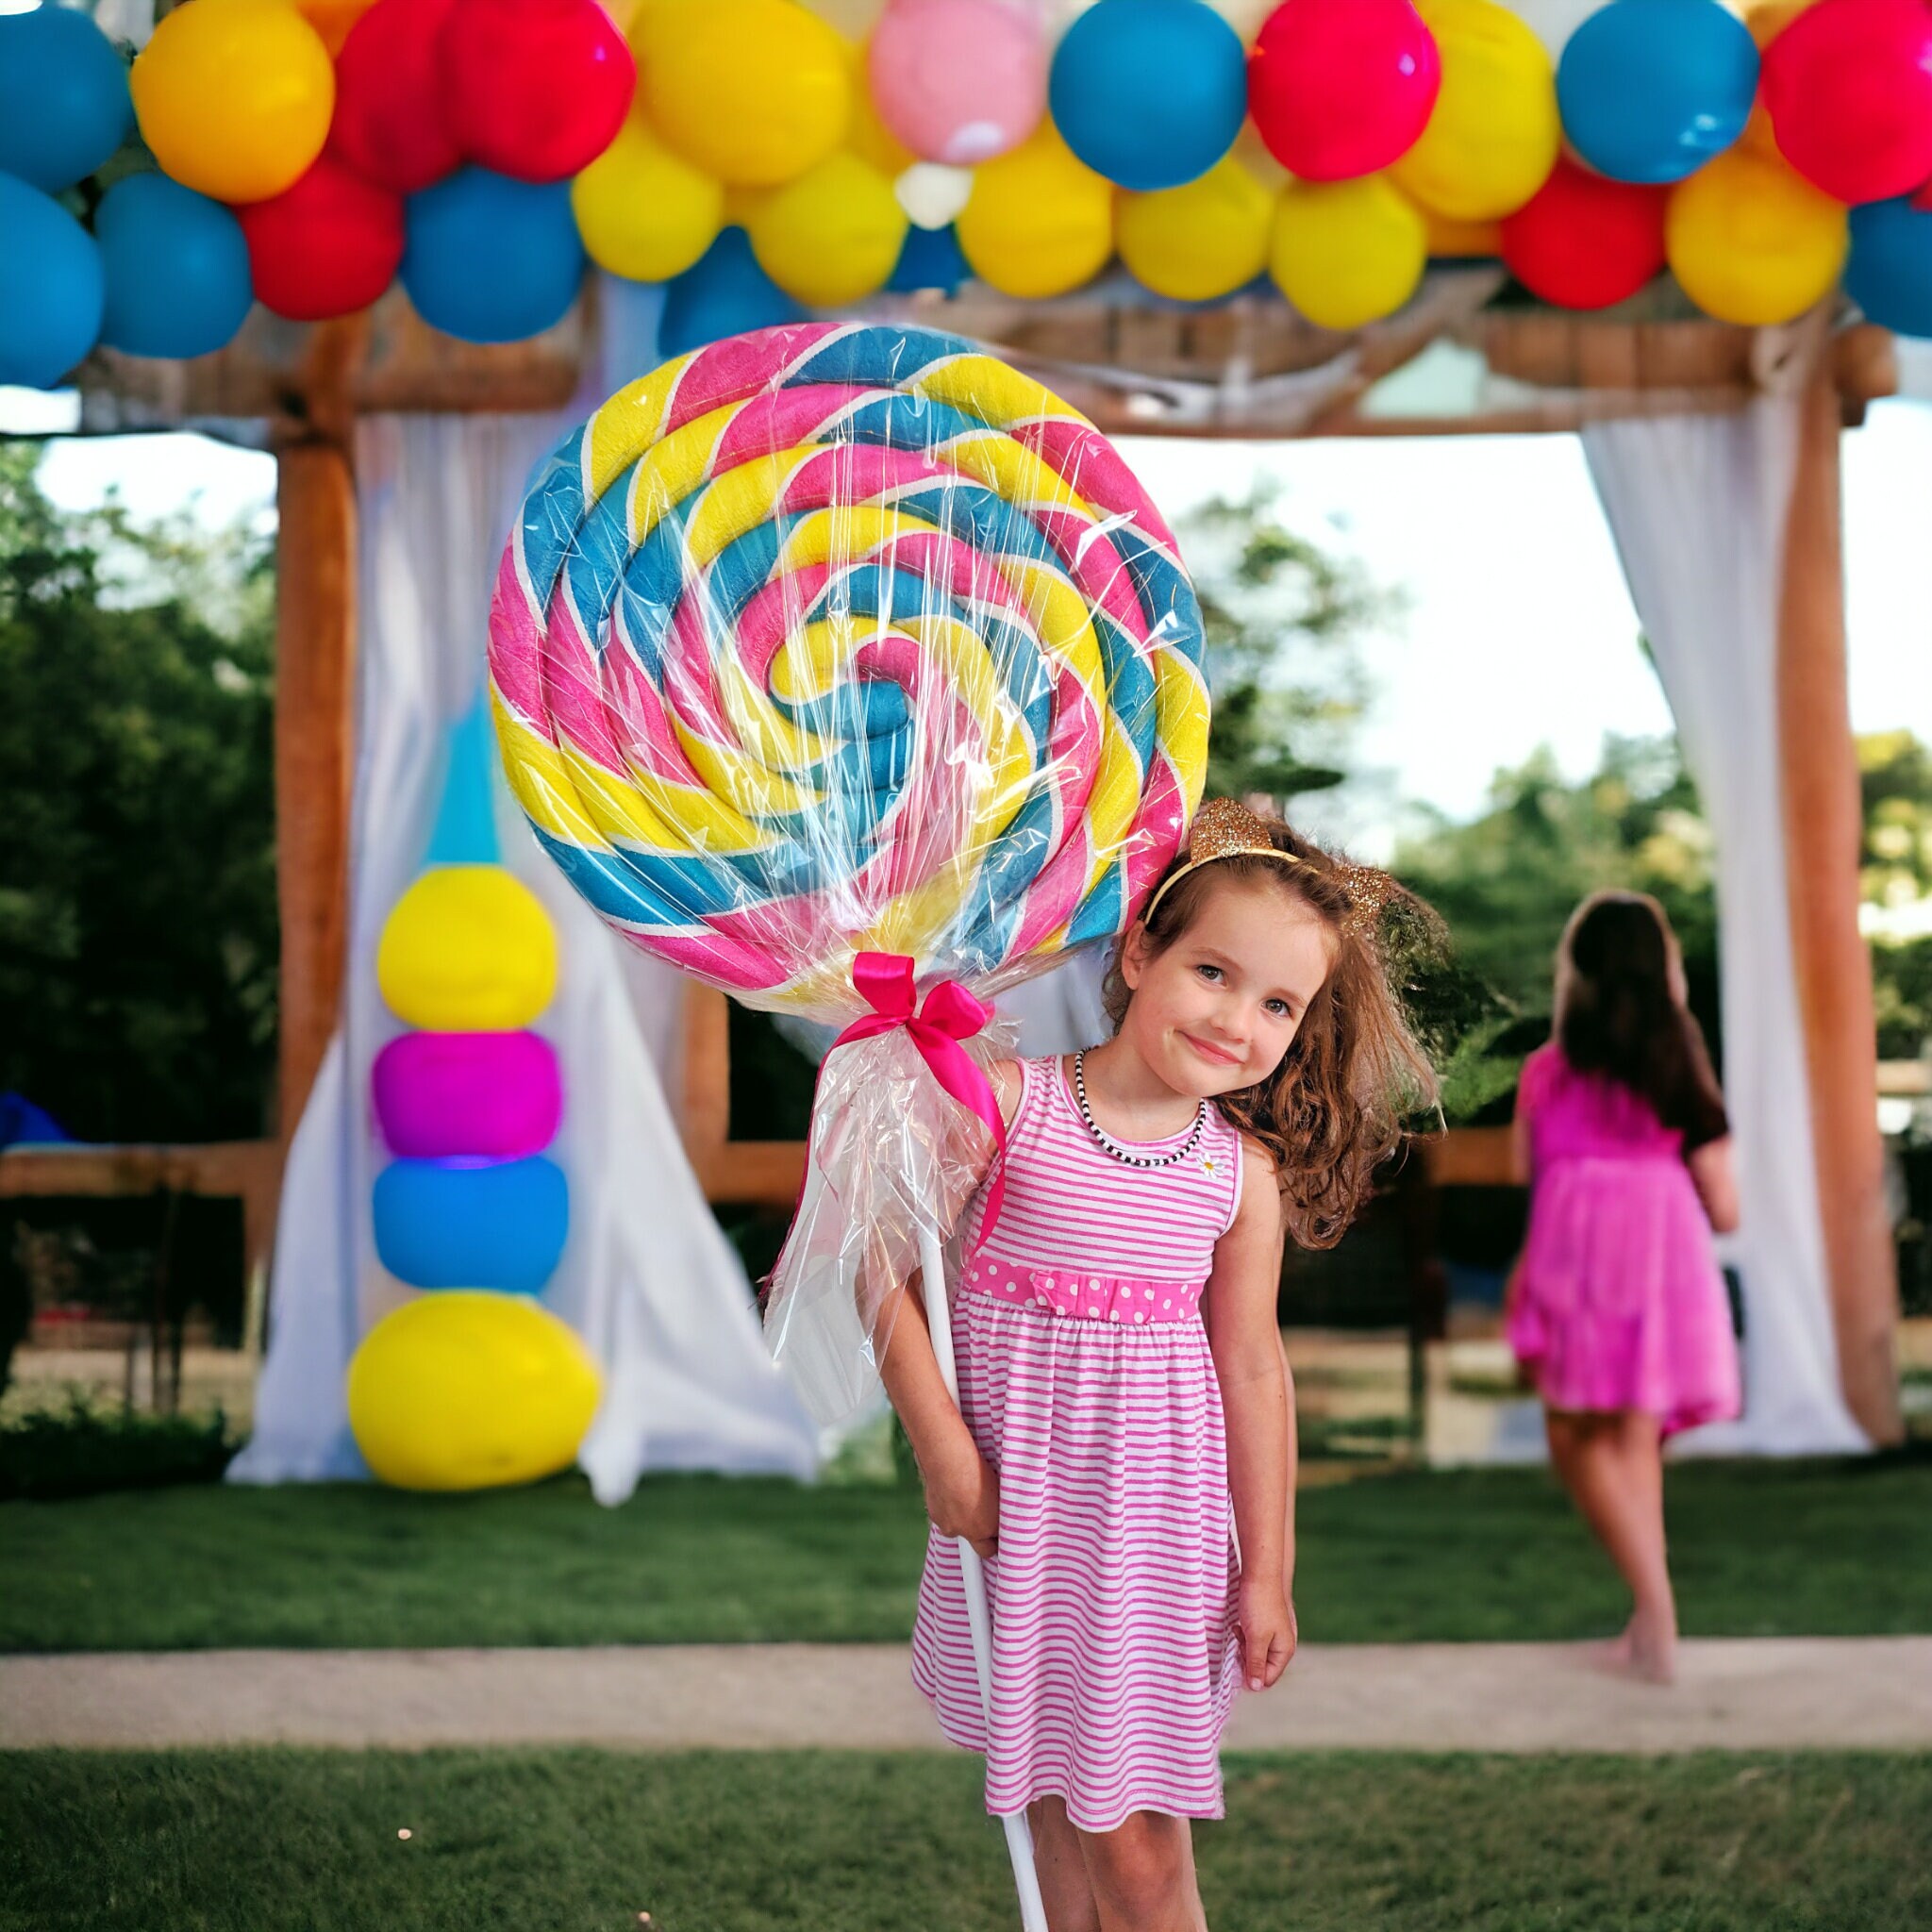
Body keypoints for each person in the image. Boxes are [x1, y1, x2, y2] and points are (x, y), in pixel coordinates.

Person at [876, 798, 1438, 1932]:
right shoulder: (1003, 1103)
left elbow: (1253, 1370)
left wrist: (1267, 1568)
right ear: (1138, 952)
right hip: (1017, 1524)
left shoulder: (1236, 1178)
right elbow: (879, 1270)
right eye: (1212, 972)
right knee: (1050, 1813)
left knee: (1136, 1845)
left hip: (1154, 1550)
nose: (1236, 1018)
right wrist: (942, 1452)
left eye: (1277, 1003)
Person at [1506, 891, 1742, 1687]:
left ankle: (1656, 1614)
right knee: (1634, 1437)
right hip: (1660, 1255)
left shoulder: (1549, 1070)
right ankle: (1652, 1625)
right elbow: (1726, 1203)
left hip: (1577, 1256)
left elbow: (1526, 1169)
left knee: (1573, 1432)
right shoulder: (1677, 1059)